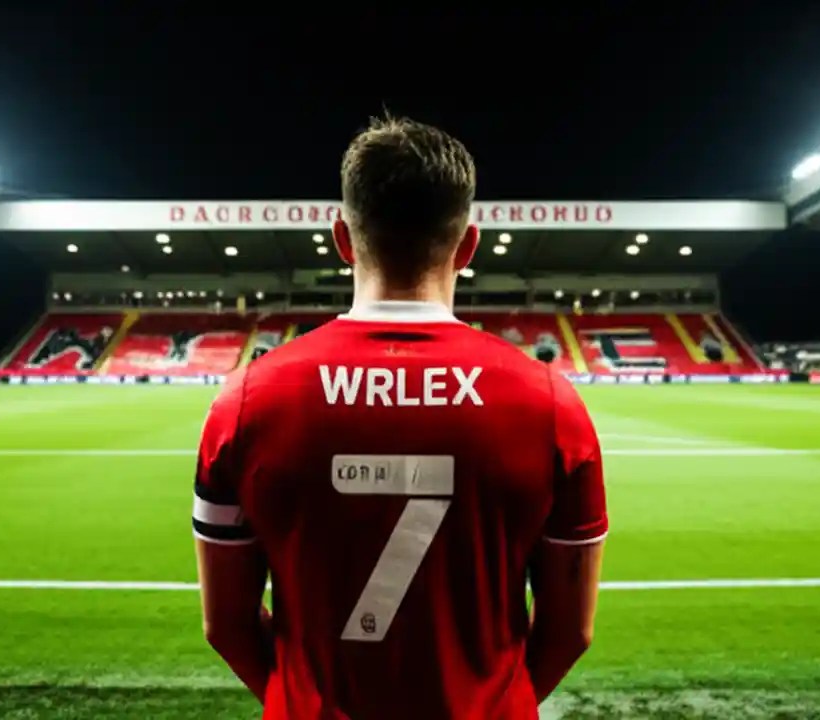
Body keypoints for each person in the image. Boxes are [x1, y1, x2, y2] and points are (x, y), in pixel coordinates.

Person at [194, 115, 607, 719]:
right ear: (469, 245)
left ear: (341, 239)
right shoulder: (551, 405)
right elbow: (570, 631)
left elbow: (226, 625)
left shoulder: (245, 401)